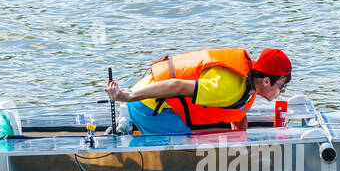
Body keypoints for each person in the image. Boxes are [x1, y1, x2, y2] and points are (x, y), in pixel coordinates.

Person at [106, 47, 292, 135]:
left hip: (150, 100)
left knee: (220, 131)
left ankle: (130, 123)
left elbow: (237, 116)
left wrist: (241, 143)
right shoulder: (227, 88)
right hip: (148, 107)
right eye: (282, 86)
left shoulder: (247, 82)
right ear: (266, 81)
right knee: (203, 136)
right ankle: (133, 126)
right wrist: (126, 97)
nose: (282, 92)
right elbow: (175, 86)